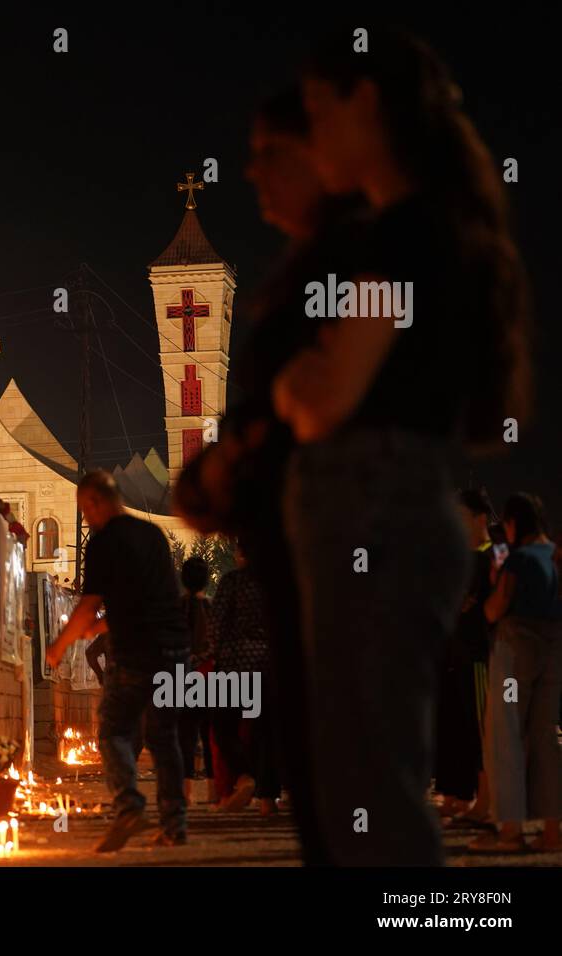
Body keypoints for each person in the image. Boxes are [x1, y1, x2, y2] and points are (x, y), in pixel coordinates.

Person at [271, 29, 531, 865]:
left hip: (371, 517)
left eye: (318, 113)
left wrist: (292, 381)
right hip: (390, 513)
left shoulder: (404, 236)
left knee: (370, 797)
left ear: (367, 105)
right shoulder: (438, 229)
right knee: (371, 784)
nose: (310, 140)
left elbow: (323, 398)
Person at [174, 87, 354, 863]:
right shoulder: (312, 262)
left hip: (344, 549)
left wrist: (248, 442)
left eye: (268, 156)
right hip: (298, 557)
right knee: (322, 791)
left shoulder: (364, 255)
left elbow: (329, 397)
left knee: (360, 791)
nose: (251, 175)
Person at [46, 470, 189, 850]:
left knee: (112, 731)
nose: (86, 519)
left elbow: (89, 602)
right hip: (174, 649)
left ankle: (129, 806)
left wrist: (60, 644)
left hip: (136, 653)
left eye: (84, 510)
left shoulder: (105, 541)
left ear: (94, 501)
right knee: (165, 738)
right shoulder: (153, 535)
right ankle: (174, 826)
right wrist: (98, 627)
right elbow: (150, 600)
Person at [472, 493, 562, 852]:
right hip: (554, 651)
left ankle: (510, 831)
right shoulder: (556, 554)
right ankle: (553, 832)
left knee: (505, 734)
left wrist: (495, 579)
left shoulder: (516, 558)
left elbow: (495, 611)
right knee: (546, 736)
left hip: (515, 653)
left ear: (514, 523)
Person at [435, 488, 496, 822]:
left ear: (480, 518)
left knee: (480, 729)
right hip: (452, 653)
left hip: (477, 654)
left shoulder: (494, 553)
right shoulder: (458, 557)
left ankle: (486, 801)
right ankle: (459, 794)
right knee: (455, 725)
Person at [209, 544, 281, 816]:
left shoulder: (233, 581)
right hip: (269, 665)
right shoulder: (276, 583)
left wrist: (218, 652)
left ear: (241, 555)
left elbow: (216, 624)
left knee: (224, 726)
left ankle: (244, 776)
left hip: (235, 665)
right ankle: (268, 800)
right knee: (266, 732)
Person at [176, 556, 214, 804]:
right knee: (210, 735)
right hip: (210, 675)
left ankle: (185, 794)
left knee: (184, 737)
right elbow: (218, 641)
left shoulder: (175, 607)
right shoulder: (213, 607)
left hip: (180, 676)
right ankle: (214, 791)